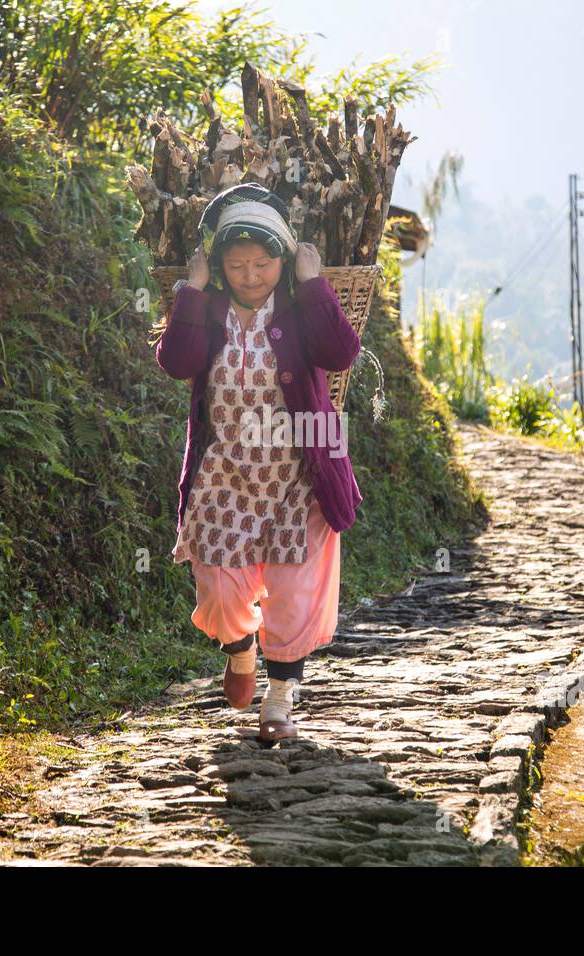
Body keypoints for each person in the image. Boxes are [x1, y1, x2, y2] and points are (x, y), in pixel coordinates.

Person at [154, 182, 364, 742]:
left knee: (292, 590)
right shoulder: (211, 308)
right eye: (237, 265)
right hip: (226, 469)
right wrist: (192, 291)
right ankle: (240, 650)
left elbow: (342, 353)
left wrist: (313, 283)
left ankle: (279, 700)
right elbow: (177, 362)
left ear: (284, 258)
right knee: (220, 586)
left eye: (264, 263)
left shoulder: (299, 309)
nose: (251, 276)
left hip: (297, 471)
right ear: (220, 267)